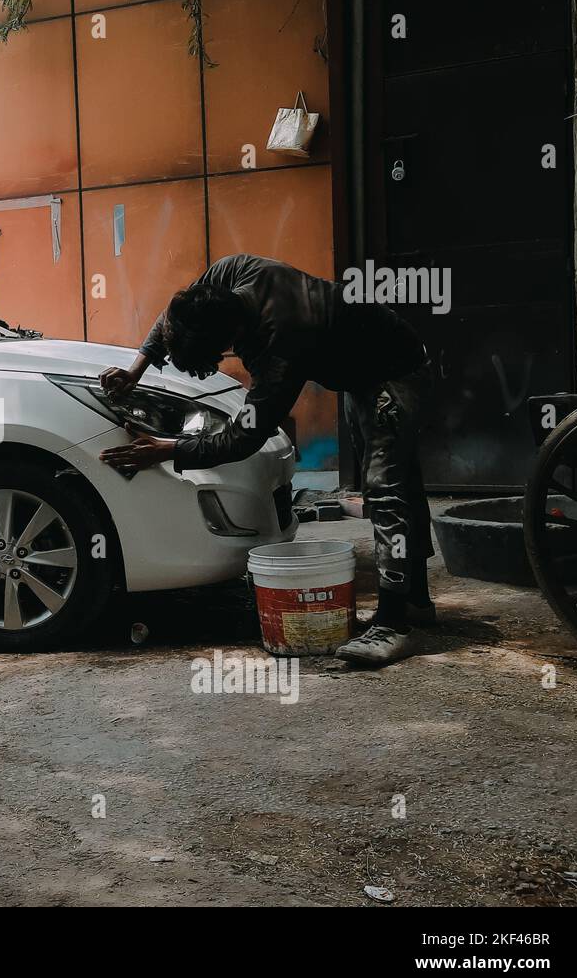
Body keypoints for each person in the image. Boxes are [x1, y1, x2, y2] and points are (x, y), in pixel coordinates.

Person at [98, 253, 435, 667]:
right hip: (361, 371)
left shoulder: (282, 345)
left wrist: (169, 448)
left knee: (386, 493)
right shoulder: (233, 273)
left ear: (226, 342)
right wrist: (136, 370)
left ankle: (393, 624)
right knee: (396, 482)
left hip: (394, 371)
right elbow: (175, 313)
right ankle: (415, 600)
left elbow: (243, 438)